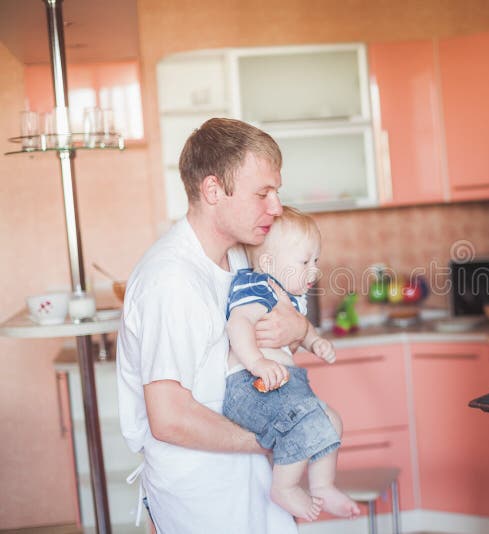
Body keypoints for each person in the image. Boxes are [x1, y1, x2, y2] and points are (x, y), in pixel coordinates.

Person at [117, 118, 308, 533]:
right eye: (263, 193)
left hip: (247, 480)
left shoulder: (237, 256)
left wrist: (294, 327)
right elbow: (169, 418)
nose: (275, 207)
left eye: (276, 192)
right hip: (203, 495)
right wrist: (272, 438)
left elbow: (272, 321)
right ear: (212, 190)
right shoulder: (171, 280)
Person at [222, 206, 360, 521]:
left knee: (331, 421)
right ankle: (283, 488)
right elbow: (238, 325)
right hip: (251, 383)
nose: (313, 271)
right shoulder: (258, 286)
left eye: (316, 261)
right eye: (304, 262)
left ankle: (322, 485)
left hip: (282, 384)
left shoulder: (289, 296)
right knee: (303, 424)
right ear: (269, 263)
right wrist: (257, 362)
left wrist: (315, 342)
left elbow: (302, 328)